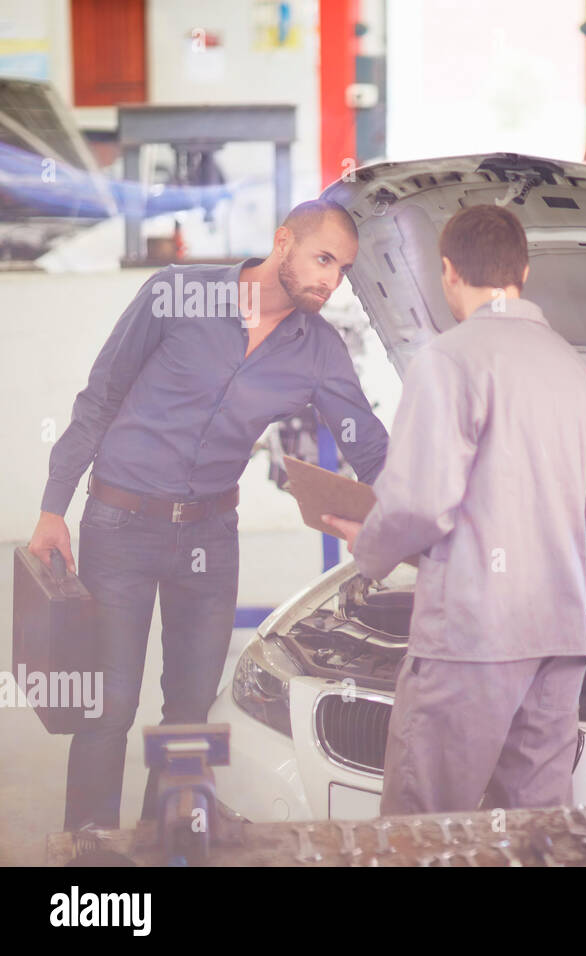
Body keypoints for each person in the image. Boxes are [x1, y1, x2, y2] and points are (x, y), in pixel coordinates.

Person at [27, 199, 389, 830]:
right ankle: (90, 859)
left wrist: (420, 517)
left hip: (211, 537)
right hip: (120, 526)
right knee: (108, 709)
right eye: (322, 259)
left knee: (192, 709)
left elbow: (369, 445)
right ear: (283, 243)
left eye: (343, 270)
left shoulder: (319, 350)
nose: (331, 280)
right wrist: (52, 507)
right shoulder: (175, 294)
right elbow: (102, 392)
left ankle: (160, 847)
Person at [324, 204, 586, 814]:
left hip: (474, 635)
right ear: (522, 271)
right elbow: (574, 505)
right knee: (536, 835)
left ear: (448, 272)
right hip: (558, 631)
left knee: (423, 830)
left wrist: (368, 544)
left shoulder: (451, 359)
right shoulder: (573, 368)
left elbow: (421, 503)